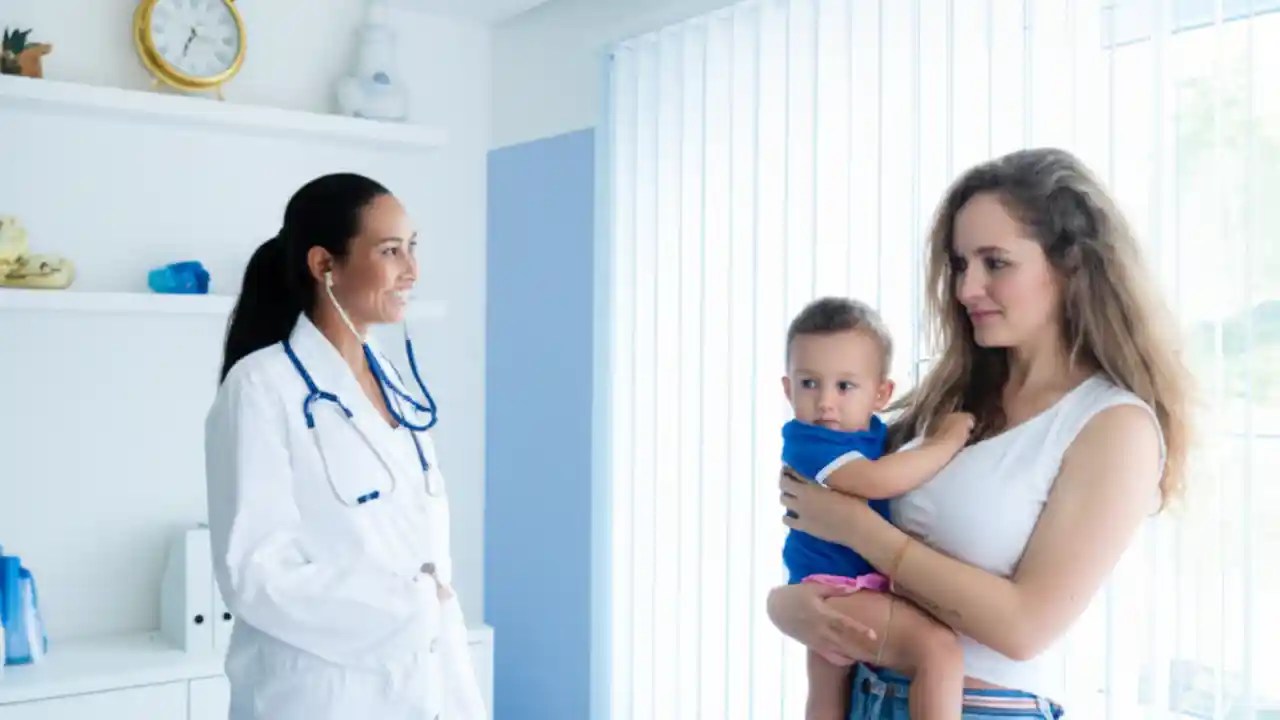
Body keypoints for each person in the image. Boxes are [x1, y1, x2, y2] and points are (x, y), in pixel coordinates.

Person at [768, 147, 1190, 719]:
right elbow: (820, 525)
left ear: (1071, 266)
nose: (966, 288)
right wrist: (785, 606)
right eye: (961, 264)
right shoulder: (954, 402)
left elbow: (1024, 627)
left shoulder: (1112, 428)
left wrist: (860, 529)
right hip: (868, 693)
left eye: (995, 263)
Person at [204, 173, 486, 720]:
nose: (412, 271)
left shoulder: (395, 385)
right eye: (389, 251)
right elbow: (257, 573)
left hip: (424, 686)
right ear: (323, 265)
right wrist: (411, 607)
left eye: (412, 248)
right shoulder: (261, 387)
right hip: (321, 698)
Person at [779, 296, 976, 720]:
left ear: (881, 393)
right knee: (937, 654)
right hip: (837, 585)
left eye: (844, 386)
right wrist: (948, 441)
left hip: (840, 584)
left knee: (828, 693)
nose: (825, 402)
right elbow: (877, 481)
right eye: (809, 383)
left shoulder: (872, 434)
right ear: (787, 388)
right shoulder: (809, 440)